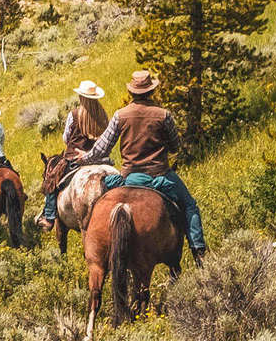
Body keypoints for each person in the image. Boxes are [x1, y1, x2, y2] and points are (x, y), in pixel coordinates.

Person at [83, 70, 205, 264]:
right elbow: (175, 146)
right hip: (160, 176)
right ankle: (198, 252)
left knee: (101, 197)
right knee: (189, 205)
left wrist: (84, 159)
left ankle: (91, 241)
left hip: (130, 177)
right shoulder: (163, 115)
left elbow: (101, 149)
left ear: (132, 92)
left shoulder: (119, 115)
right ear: (151, 92)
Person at [36, 80, 110, 232]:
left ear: (81, 97)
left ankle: (49, 216)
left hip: (74, 159)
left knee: (52, 179)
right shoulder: (103, 115)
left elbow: (65, 138)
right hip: (100, 160)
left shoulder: (74, 114)